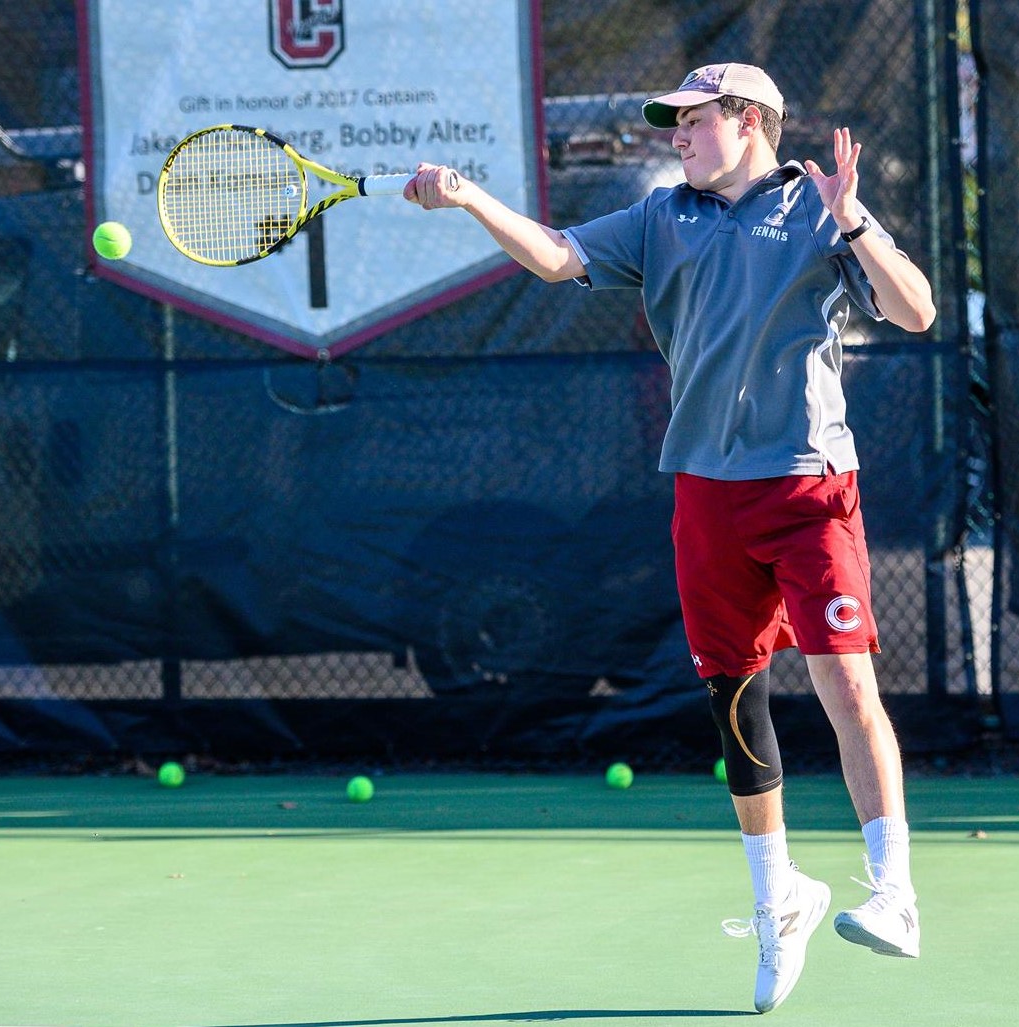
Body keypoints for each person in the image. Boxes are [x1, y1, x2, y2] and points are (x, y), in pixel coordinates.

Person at [405, 62, 935, 1013]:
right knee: (735, 701)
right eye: (673, 125)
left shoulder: (819, 207)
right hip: (704, 494)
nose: (675, 137)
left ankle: (893, 895)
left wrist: (853, 221)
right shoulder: (661, 217)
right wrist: (472, 197)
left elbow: (916, 310)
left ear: (747, 121)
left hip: (810, 484)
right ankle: (779, 903)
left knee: (846, 680)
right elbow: (559, 257)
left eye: (690, 122)